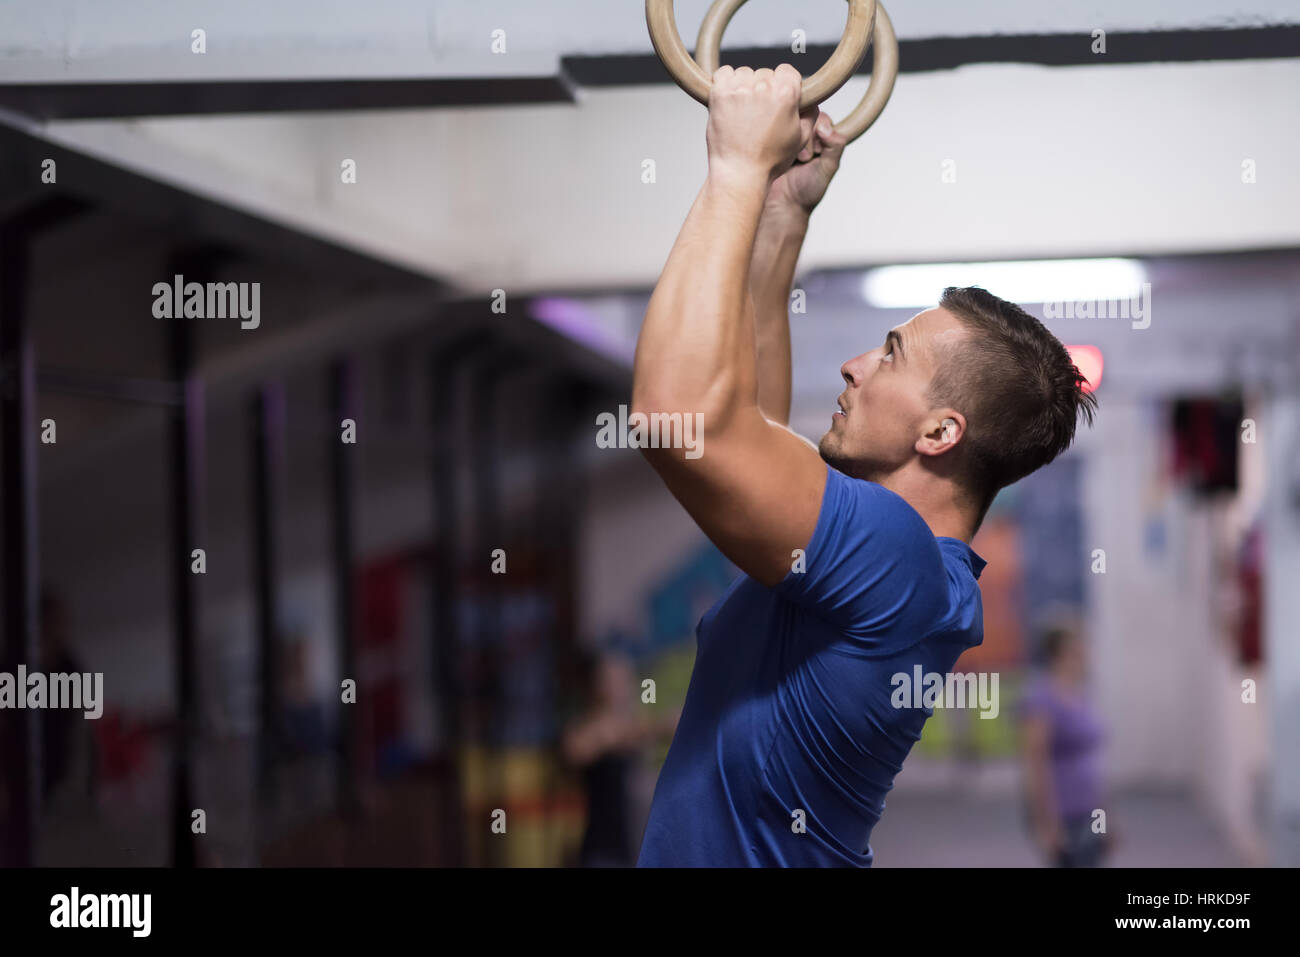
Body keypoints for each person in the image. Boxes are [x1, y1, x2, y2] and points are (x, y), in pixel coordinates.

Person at [631, 64, 1097, 866]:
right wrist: (779, 216)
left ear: (941, 432)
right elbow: (756, 434)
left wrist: (736, 166)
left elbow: (679, 421)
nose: (852, 366)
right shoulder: (906, 566)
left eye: (888, 355)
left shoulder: (894, 560)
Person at [562, 649, 679, 867]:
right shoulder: (593, 727)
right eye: (614, 679)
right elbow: (580, 747)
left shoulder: (631, 726)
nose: (622, 686)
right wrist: (658, 726)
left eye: (624, 679)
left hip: (633, 851)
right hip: (603, 853)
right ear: (599, 685)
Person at [1019, 625, 1111, 867]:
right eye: (1078, 646)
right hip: (1063, 812)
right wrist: (1047, 824)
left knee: (1095, 859)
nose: (1086, 652)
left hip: (1091, 808)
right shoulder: (1042, 699)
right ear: (1059, 653)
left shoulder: (1081, 695)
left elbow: (1091, 763)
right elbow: (1034, 763)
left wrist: (1106, 819)